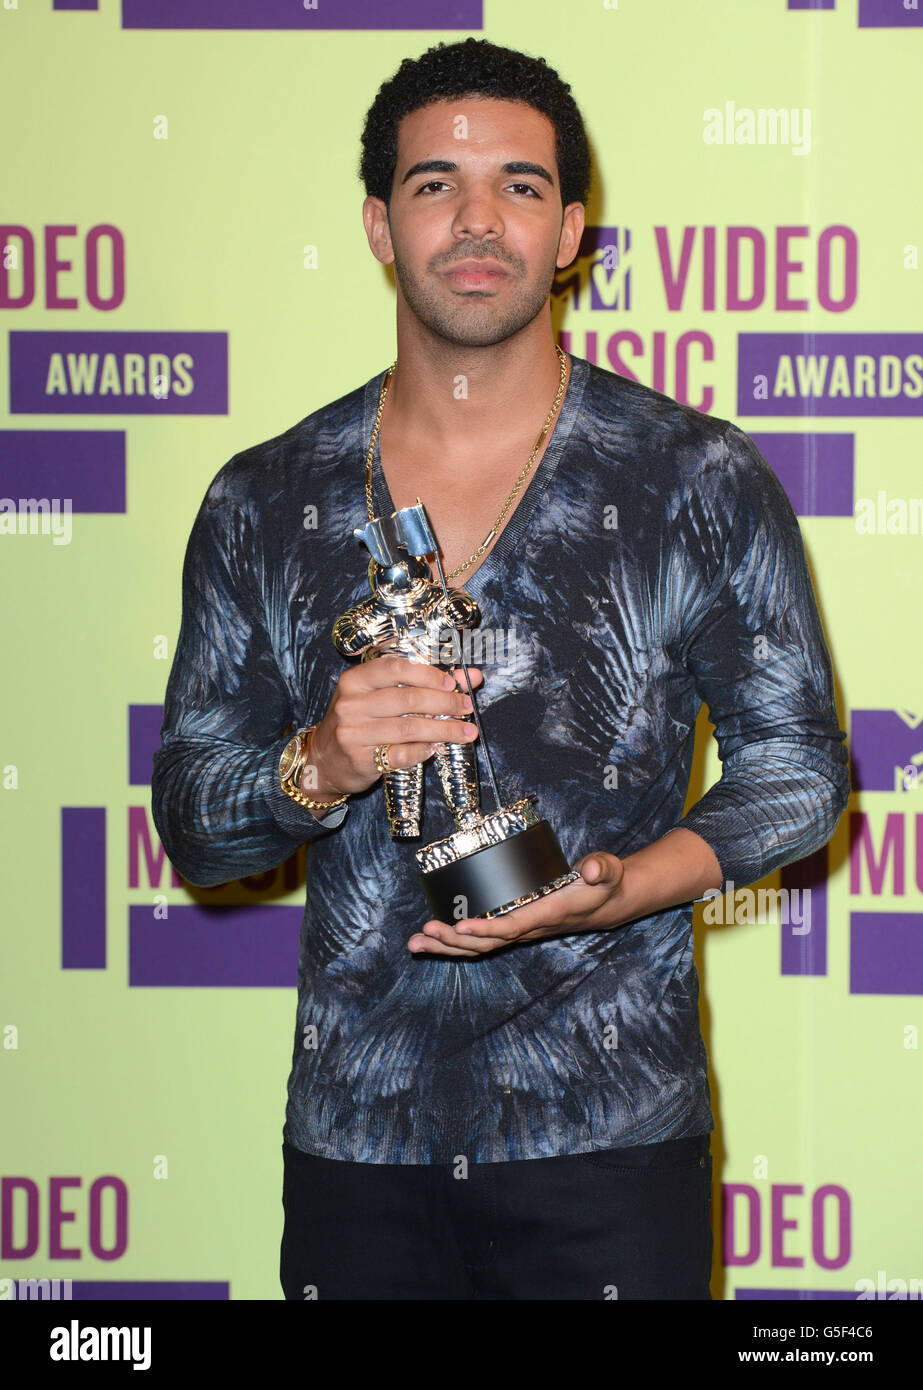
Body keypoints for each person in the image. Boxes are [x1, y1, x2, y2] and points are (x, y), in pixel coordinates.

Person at [151, 37, 850, 1301]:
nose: (478, 220)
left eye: (519, 186)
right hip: (357, 1141)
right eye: (435, 184)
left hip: (610, 1136)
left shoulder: (691, 477)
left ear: (572, 227)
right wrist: (316, 761)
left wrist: (629, 884)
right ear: (376, 222)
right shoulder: (266, 497)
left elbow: (798, 772)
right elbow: (196, 829)